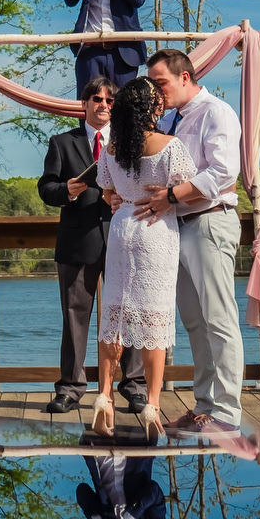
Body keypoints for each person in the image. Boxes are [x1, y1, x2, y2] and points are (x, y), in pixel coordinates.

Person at [139, 47, 245, 436]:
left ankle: (228, 413)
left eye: (161, 82)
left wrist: (169, 196)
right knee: (195, 323)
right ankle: (204, 407)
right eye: (151, 84)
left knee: (219, 320)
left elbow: (222, 173)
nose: (156, 91)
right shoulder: (168, 119)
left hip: (209, 224)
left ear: (185, 77)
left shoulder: (216, 112)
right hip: (178, 229)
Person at [90, 76, 196, 437]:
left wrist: (116, 198)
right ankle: (151, 404)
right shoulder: (170, 146)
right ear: (152, 107)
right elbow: (188, 191)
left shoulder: (113, 148)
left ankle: (103, 397)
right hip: (155, 229)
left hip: (122, 230)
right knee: (154, 319)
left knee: (115, 315)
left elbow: (107, 190)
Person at [36, 77, 144, 415]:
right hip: (77, 241)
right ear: (84, 104)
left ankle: (135, 385)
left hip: (123, 238)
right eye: (97, 99)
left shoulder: (130, 142)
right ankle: (70, 388)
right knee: (74, 317)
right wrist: (67, 189)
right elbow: (45, 188)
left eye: (110, 101)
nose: (103, 105)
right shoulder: (62, 143)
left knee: (129, 314)